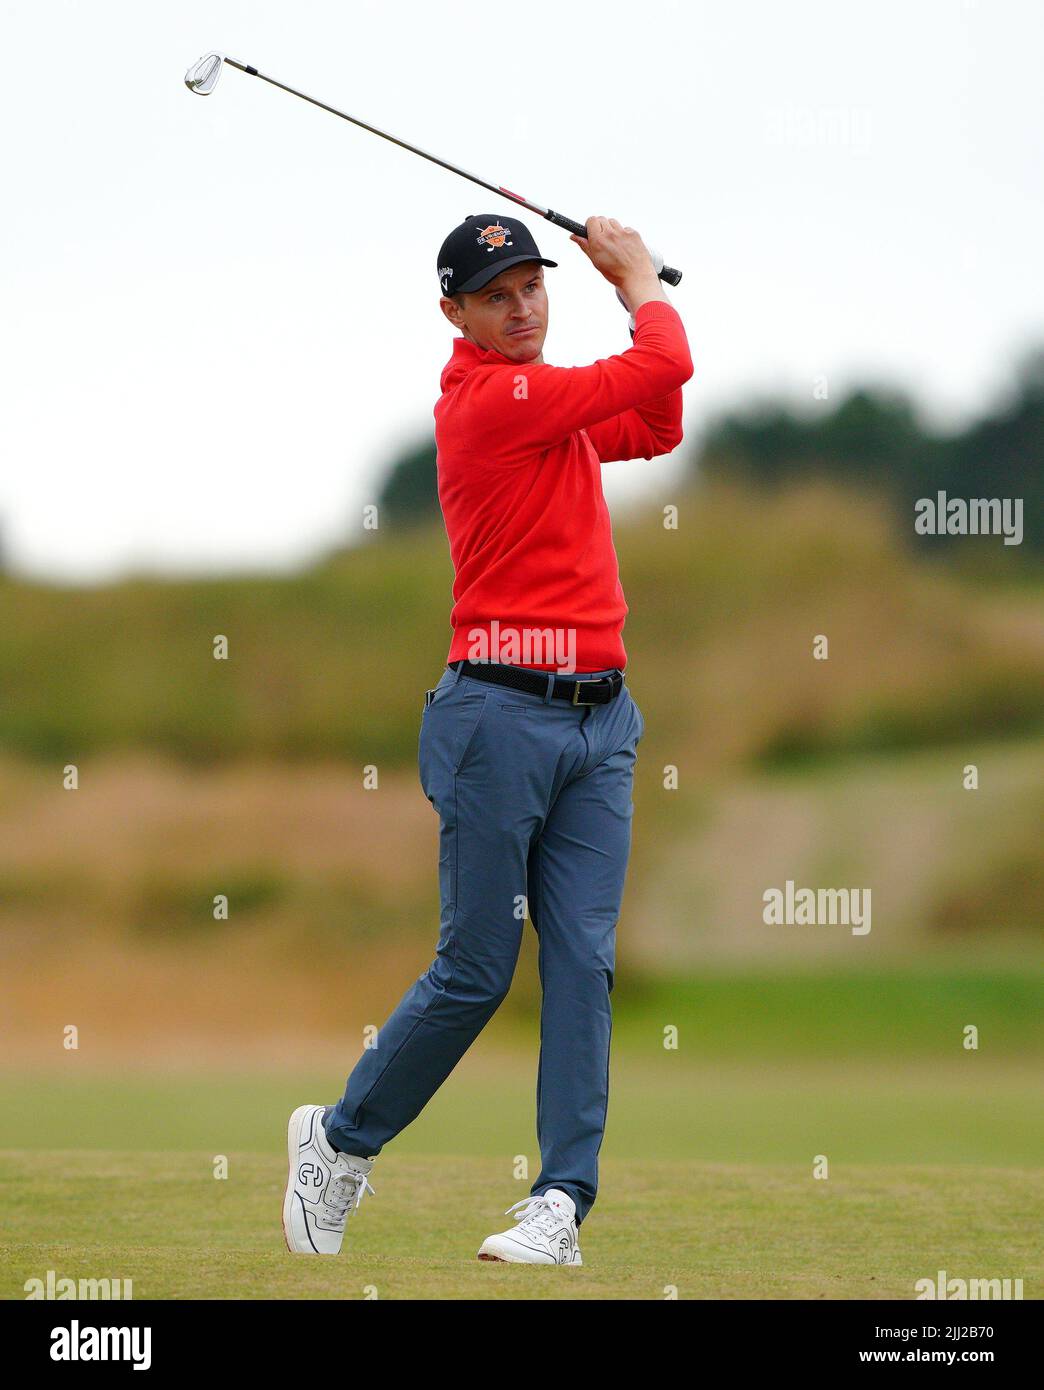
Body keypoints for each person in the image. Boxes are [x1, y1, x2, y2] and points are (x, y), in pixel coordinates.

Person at [282, 213, 693, 1264]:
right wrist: (637, 279)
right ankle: (339, 1140)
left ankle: (559, 1202)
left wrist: (624, 293)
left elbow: (656, 420)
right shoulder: (493, 401)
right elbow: (668, 354)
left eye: (533, 286)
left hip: (601, 720)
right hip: (495, 718)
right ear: (454, 313)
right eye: (498, 294)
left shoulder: (548, 406)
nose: (523, 307)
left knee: (583, 966)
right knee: (475, 968)